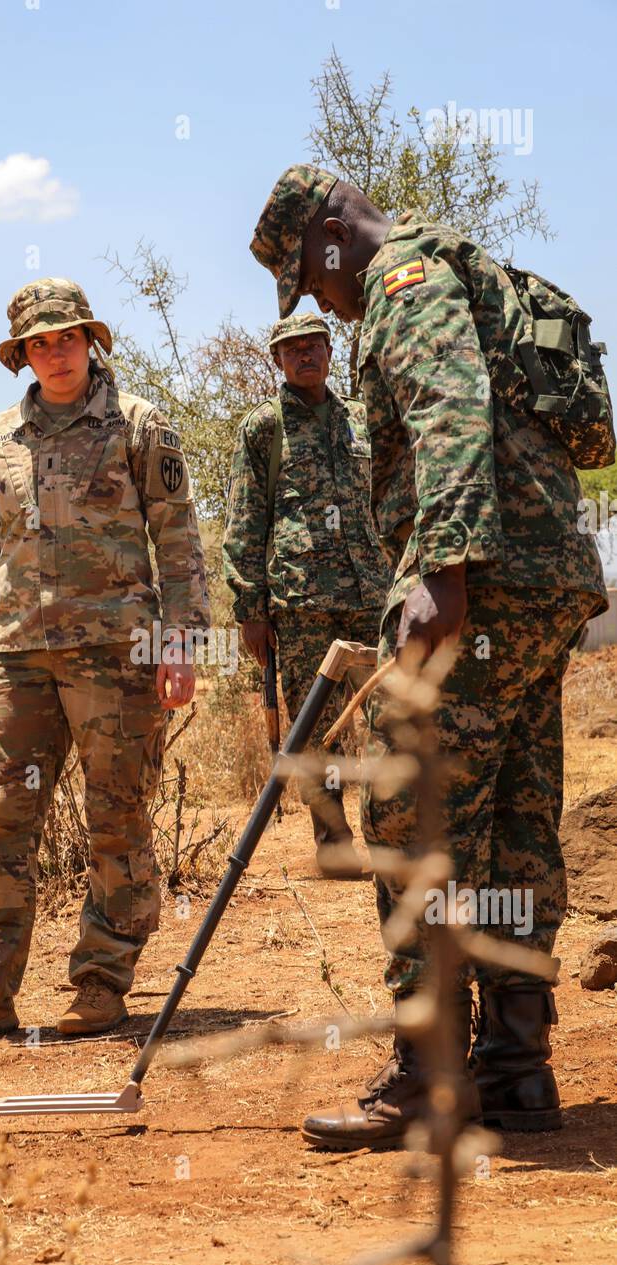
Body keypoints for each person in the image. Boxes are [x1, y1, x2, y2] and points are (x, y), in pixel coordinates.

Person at [250, 165, 608, 1146]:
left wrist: (441, 565)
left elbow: (447, 406)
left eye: (309, 280)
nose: (322, 300)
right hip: (544, 583)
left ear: (326, 237)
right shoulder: (464, 267)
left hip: (481, 586)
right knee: (517, 814)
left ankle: (427, 1072)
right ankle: (515, 1071)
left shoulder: (404, 280)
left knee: (411, 805)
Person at [0, 278, 210, 1047]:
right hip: (18, 659)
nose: (55, 353)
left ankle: (102, 985)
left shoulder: (139, 426)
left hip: (119, 657)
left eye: (67, 337)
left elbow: (179, 546)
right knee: (3, 822)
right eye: (39, 343)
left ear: (91, 341)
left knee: (116, 820)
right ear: (22, 354)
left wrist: (181, 646)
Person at [222, 312, 389, 874]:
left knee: (393, 718)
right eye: (292, 351)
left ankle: (397, 837)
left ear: (329, 349)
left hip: (374, 595)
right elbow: (246, 519)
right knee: (316, 734)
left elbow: (392, 503)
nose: (305, 357)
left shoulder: (363, 423)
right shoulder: (263, 428)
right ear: (278, 361)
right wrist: (250, 609)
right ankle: (336, 847)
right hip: (300, 605)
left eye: (314, 346)